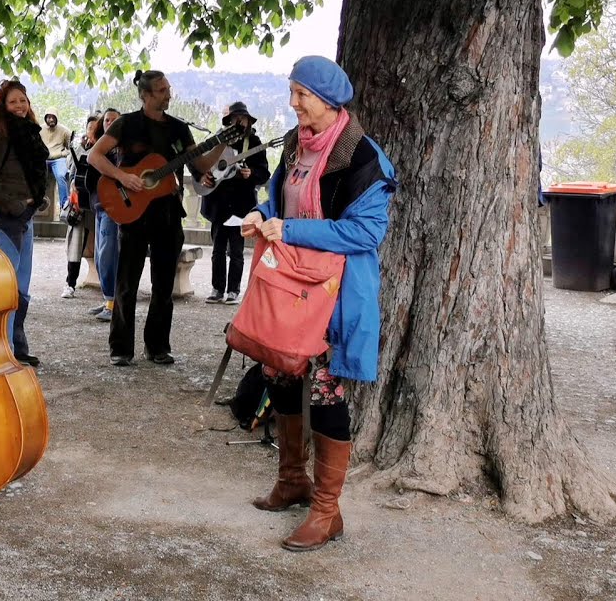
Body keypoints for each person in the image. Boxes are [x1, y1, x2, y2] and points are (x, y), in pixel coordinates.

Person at [242, 55, 396, 552]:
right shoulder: (294, 144)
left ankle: (327, 512)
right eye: (292, 92)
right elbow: (278, 201)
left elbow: (367, 232)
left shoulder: (363, 158)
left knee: (326, 395)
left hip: (333, 295)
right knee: (282, 373)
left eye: (301, 95)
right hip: (289, 286)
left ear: (328, 101)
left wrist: (291, 229)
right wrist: (260, 214)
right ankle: (292, 480)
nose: (292, 103)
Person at [87, 71, 226, 366]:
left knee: (164, 285)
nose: (168, 94)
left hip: (167, 211)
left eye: (168, 89)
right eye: (162, 90)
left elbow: (199, 163)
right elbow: (95, 156)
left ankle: (158, 346)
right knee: (127, 282)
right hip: (133, 211)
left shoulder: (178, 129)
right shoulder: (127, 124)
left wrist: (223, 142)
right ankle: (121, 349)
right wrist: (124, 177)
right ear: (146, 95)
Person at [0, 79, 50, 367]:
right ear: (2, 106)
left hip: (23, 218)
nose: (19, 105)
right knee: (4, 287)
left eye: (23, 100)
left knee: (21, 287)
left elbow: (32, 177)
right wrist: (15, 204)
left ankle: (16, 347)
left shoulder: (30, 135)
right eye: (13, 101)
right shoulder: (0, 136)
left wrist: (34, 200)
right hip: (4, 218)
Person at [201, 102, 271, 304]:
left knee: (237, 251)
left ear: (248, 122)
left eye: (243, 120)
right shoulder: (216, 141)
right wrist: (205, 176)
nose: (239, 123)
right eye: (235, 119)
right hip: (218, 203)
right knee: (217, 249)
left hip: (241, 205)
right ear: (229, 121)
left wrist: (252, 174)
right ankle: (217, 289)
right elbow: (202, 164)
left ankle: (233, 290)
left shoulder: (255, 142)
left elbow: (264, 172)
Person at [62, 113, 100, 299]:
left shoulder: (106, 149)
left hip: (99, 203)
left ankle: (108, 287)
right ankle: (70, 283)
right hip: (79, 201)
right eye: (90, 128)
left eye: (96, 129)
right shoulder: (79, 149)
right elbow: (70, 170)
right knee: (75, 242)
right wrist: (80, 147)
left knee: (104, 243)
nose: (92, 132)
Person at [89, 108, 122, 322]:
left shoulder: (121, 150)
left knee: (108, 255)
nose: (109, 123)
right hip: (98, 207)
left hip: (112, 207)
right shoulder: (98, 146)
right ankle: (107, 299)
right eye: (107, 120)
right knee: (99, 257)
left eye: (114, 120)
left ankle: (112, 303)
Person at [40, 112, 72, 211]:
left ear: (56, 118)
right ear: (45, 119)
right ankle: (40, 201)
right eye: (49, 117)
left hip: (58, 158)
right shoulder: (40, 130)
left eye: (53, 117)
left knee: (60, 176)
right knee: (37, 176)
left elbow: (71, 146)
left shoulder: (64, 130)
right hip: (44, 158)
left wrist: (64, 153)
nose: (51, 120)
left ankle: (64, 205)